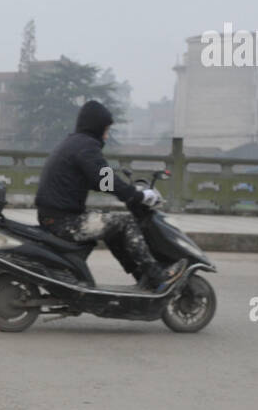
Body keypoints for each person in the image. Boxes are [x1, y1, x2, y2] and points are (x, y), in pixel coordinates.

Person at [33, 100, 185, 292]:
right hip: (63, 222)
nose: (106, 135)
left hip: (54, 217)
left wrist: (126, 191)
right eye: (106, 129)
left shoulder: (74, 143)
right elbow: (106, 178)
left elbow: (100, 181)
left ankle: (140, 274)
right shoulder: (86, 146)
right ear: (96, 127)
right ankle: (156, 276)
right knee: (125, 223)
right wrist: (138, 196)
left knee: (112, 226)